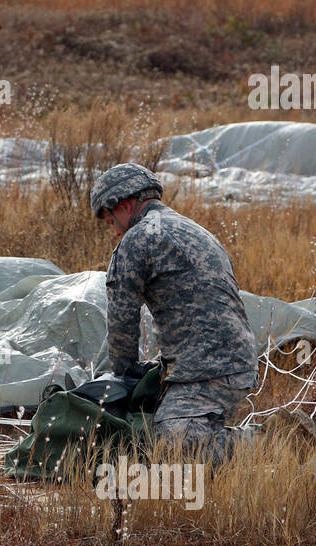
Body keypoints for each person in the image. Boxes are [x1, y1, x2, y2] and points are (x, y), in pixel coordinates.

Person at [90, 163, 260, 466]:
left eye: (109, 220)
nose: (114, 230)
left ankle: (273, 440)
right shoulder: (193, 229)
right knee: (175, 429)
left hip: (208, 369)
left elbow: (122, 321)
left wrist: (123, 377)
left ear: (126, 205)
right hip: (235, 361)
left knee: (171, 447)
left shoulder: (137, 240)